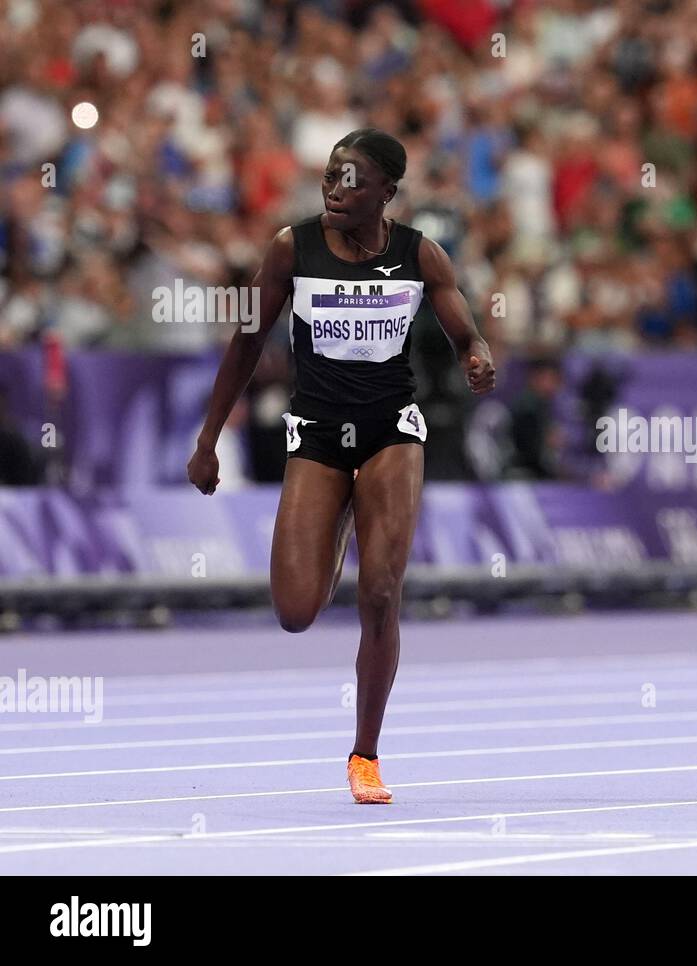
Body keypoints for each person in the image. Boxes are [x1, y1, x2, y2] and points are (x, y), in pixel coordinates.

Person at [187, 129, 495, 804]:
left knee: (380, 594)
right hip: (319, 435)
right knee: (296, 610)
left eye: (351, 179)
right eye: (330, 175)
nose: (334, 187)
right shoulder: (290, 249)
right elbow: (245, 344)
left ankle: (364, 755)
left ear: (386, 191)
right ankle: (344, 515)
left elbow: (465, 332)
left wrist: (477, 355)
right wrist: (208, 437)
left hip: (390, 433)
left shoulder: (420, 255)